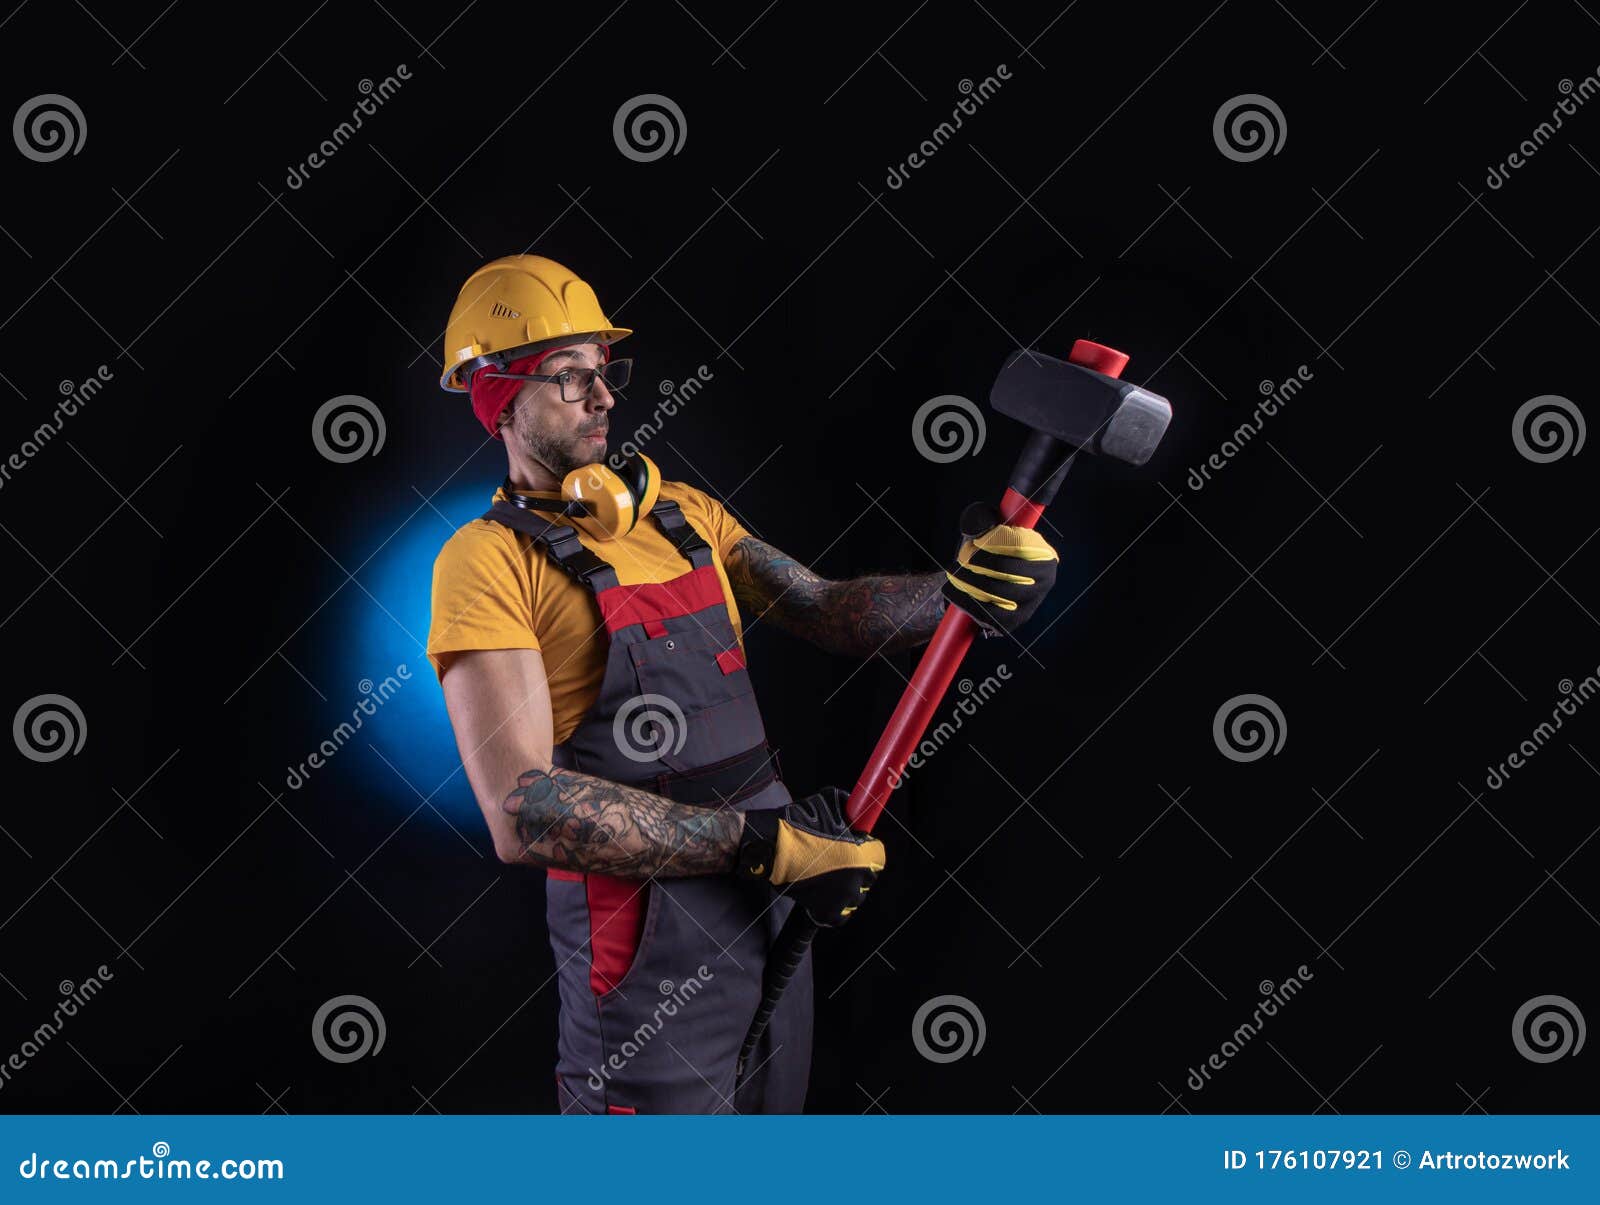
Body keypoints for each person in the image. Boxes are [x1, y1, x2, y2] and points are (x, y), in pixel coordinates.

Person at [426, 254, 1060, 1113]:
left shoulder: (683, 513)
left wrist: (957, 591)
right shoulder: (487, 560)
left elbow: (828, 609)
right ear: (497, 392)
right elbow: (520, 811)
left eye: (604, 371)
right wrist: (757, 844)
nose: (604, 396)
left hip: (771, 902)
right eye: (569, 378)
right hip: (645, 936)